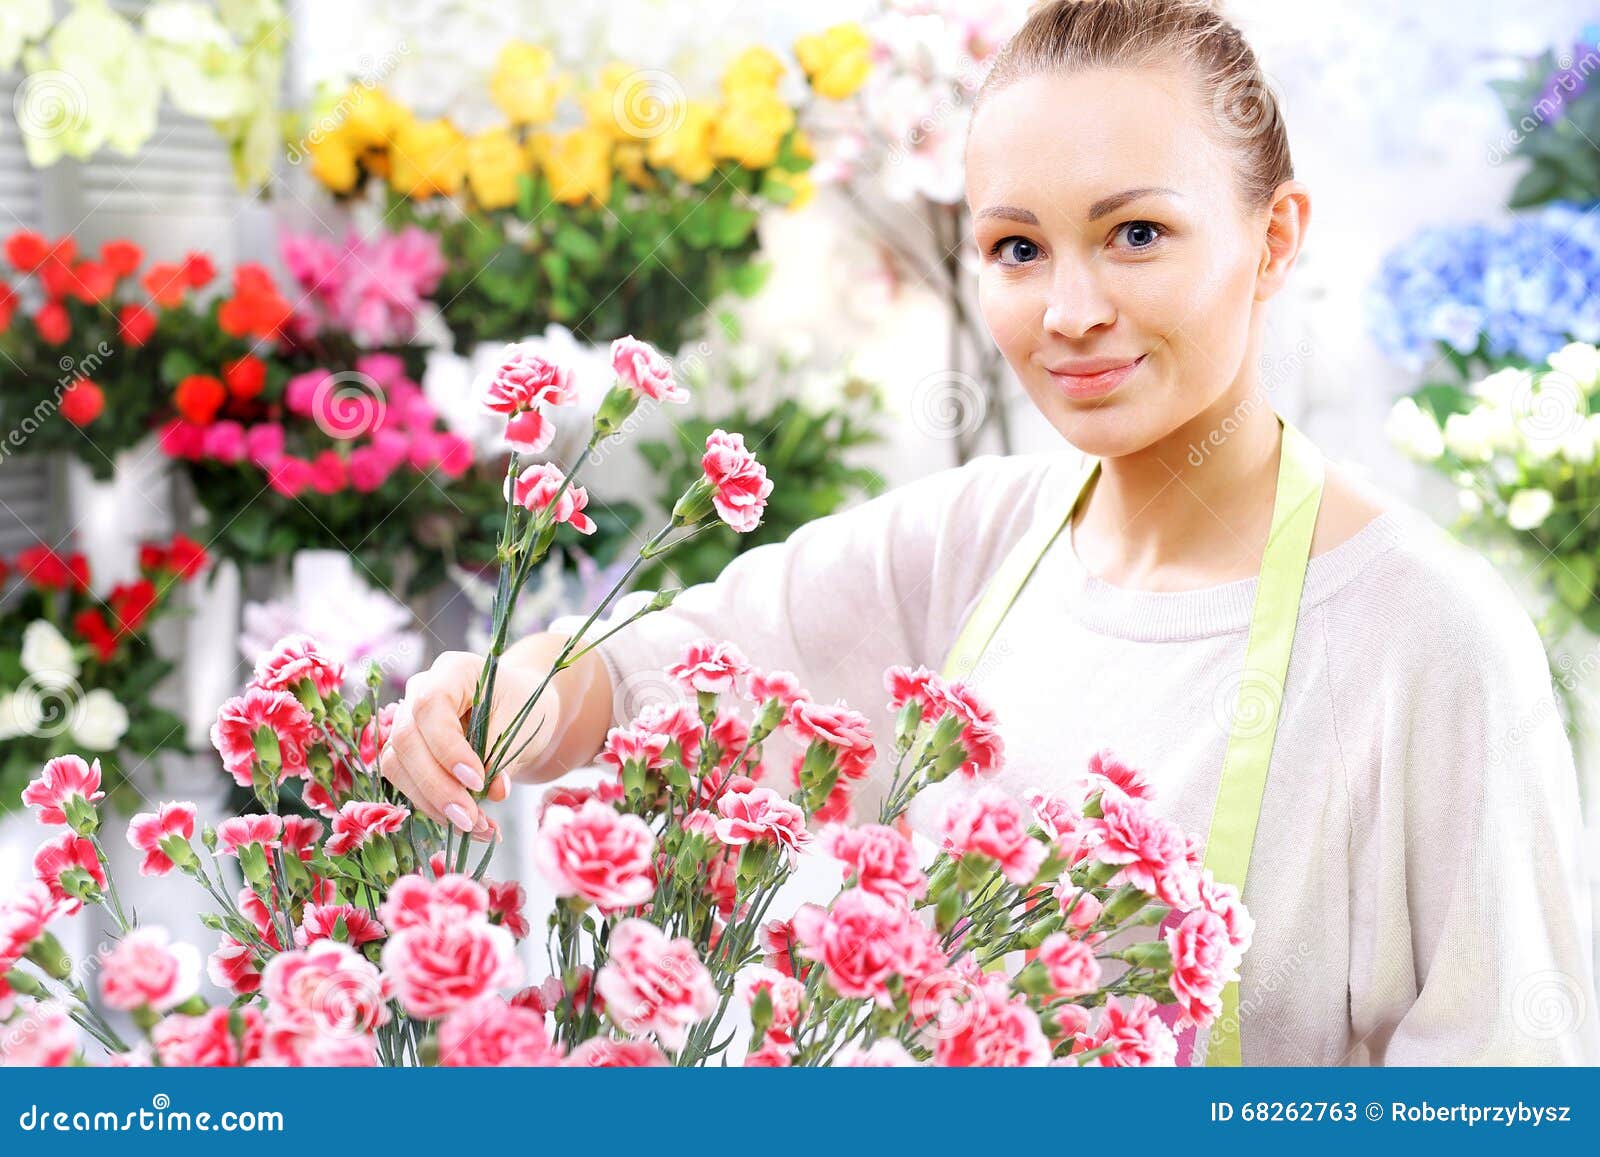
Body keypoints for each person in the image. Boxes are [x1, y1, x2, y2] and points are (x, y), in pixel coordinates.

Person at [381, 0, 1599, 1065]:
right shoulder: (970, 545)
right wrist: (507, 697)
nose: (1069, 311)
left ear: (1272, 236)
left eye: (1135, 233)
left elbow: (1508, 1092)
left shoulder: (1431, 643)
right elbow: (660, 674)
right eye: (1019, 248)